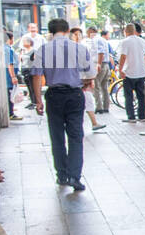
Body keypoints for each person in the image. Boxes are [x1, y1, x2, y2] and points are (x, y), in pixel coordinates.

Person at [30, 18, 95, 190]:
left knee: (57, 136)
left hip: (54, 96)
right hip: (74, 95)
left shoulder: (42, 49)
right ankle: (75, 176)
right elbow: (90, 74)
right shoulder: (79, 48)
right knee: (76, 136)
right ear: (67, 31)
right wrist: (83, 81)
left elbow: (36, 76)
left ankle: (62, 175)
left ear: (51, 32)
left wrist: (38, 100)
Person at [116, 22, 145, 122]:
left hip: (128, 73)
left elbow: (123, 56)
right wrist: (144, 59)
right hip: (141, 72)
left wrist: (120, 70)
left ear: (125, 31)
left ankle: (131, 117)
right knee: (141, 96)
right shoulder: (141, 41)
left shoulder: (125, 42)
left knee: (128, 96)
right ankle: (142, 116)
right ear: (134, 31)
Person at [70, 28, 106, 133]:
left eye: (79, 34)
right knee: (81, 104)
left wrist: (91, 80)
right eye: (75, 34)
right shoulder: (71, 49)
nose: (77, 37)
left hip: (83, 81)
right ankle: (87, 124)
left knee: (88, 100)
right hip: (75, 82)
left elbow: (88, 66)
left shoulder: (84, 47)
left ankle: (93, 123)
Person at [86, 26, 113, 117]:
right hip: (106, 65)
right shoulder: (102, 40)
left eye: (87, 32)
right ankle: (106, 106)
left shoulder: (95, 40)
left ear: (91, 31)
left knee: (96, 86)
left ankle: (99, 107)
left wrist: (98, 64)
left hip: (100, 65)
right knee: (104, 87)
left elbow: (100, 52)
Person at [3, 31, 22, 121]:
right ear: (9, 39)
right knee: (9, 94)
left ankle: (10, 110)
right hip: (8, 76)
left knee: (9, 93)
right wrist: (13, 77)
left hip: (8, 75)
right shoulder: (7, 49)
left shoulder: (5, 48)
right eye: (12, 38)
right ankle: (11, 113)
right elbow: (9, 64)